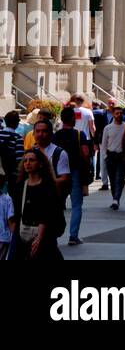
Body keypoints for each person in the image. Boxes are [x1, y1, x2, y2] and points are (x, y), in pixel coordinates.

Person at [11, 147, 64, 260]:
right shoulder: (20, 187)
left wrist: (39, 237)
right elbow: (17, 212)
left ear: (40, 164)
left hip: (45, 239)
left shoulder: (48, 187)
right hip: (23, 237)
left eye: (32, 160)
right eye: (25, 160)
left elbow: (49, 213)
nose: (28, 163)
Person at [52, 106, 89, 245]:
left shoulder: (56, 135)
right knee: (76, 205)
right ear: (73, 119)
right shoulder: (80, 134)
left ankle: (55, 233)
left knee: (57, 204)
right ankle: (73, 236)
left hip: (59, 173)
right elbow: (85, 153)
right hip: (75, 172)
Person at [101, 106, 125, 209]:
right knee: (112, 180)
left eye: (121, 113)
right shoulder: (107, 128)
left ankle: (116, 199)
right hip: (111, 157)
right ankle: (115, 198)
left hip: (121, 157)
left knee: (119, 179)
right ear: (113, 115)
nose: (119, 115)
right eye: (117, 113)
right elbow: (104, 144)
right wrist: (105, 157)